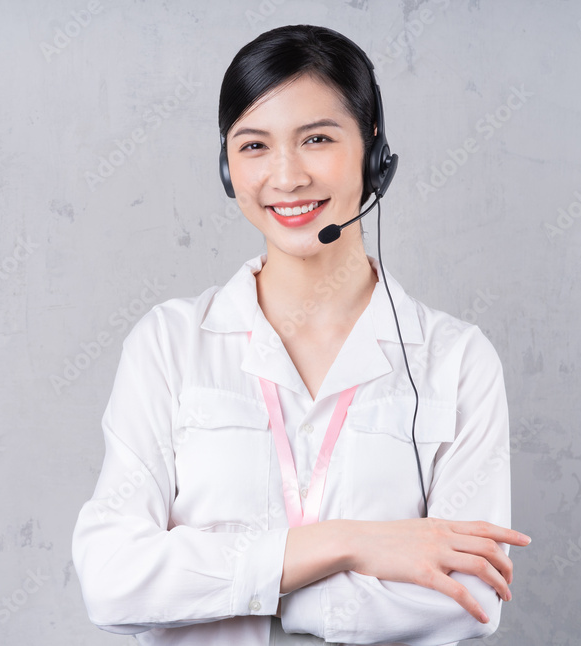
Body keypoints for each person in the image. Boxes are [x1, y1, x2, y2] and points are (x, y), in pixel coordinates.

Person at [71, 24, 531, 645]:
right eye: (254, 146)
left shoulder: (455, 359)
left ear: (373, 151)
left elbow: (468, 594)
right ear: (228, 167)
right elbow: (113, 579)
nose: (285, 178)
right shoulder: (169, 344)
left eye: (316, 138)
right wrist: (349, 545)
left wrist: (242, 590)